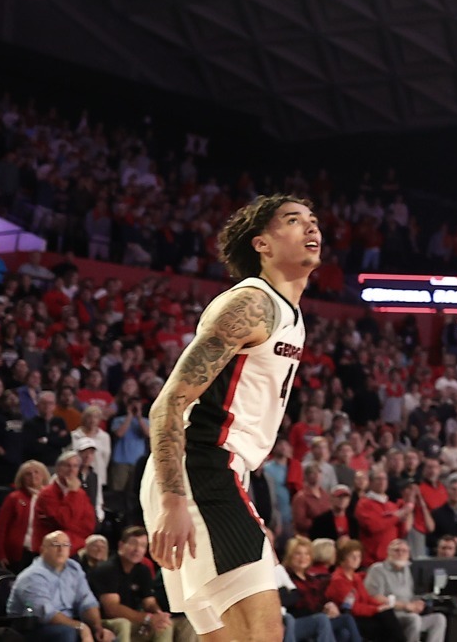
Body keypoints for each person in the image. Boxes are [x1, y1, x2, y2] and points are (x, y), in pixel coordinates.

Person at [144, 195, 318, 642]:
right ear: (262, 243)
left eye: (313, 220)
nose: (311, 228)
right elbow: (167, 404)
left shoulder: (291, 315)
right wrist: (174, 502)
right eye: (294, 220)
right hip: (200, 472)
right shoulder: (252, 304)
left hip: (223, 475)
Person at [11, 530, 115, 642]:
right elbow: (46, 614)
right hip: (33, 628)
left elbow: (86, 601)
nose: (61, 549)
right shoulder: (32, 576)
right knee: (67, 633)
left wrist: (97, 628)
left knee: (107, 637)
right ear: (42, 550)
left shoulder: (73, 568)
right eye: (55, 545)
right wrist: (81, 627)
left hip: (68, 624)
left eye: (65, 545)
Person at [92, 527, 176, 642]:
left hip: (133, 620)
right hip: (104, 622)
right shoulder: (107, 569)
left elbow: (149, 603)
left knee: (164, 626)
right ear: (121, 545)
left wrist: (159, 615)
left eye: (142, 546)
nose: (137, 549)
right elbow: (111, 609)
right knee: (123, 623)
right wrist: (148, 618)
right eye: (133, 544)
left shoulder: (143, 570)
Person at [362, 540, 444, 642]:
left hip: (408, 614)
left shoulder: (406, 570)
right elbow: (374, 597)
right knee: (414, 619)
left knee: (439, 619)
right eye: (396, 550)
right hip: (390, 617)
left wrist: (417, 603)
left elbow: (409, 596)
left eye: (404, 551)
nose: (400, 554)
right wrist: (404, 606)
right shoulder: (377, 569)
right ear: (388, 552)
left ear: (408, 554)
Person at [39, 452, 98, 553]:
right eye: (67, 465)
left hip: (78, 546)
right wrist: (72, 494)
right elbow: (64, 521)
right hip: (54, 549)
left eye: (75, 466)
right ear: (58, 468)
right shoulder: (47, 493)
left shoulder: (80, 493)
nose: (71, 470)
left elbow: (89, 525)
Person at [0, 458, 51, 568]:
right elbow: (0, 527)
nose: (33, 476)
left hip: (43, 553)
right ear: (22, 478)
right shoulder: (14, 498)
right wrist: (0, 554)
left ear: (43, 475)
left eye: (36, 472)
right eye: (28, 474)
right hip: (18, 553)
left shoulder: (51, 498)